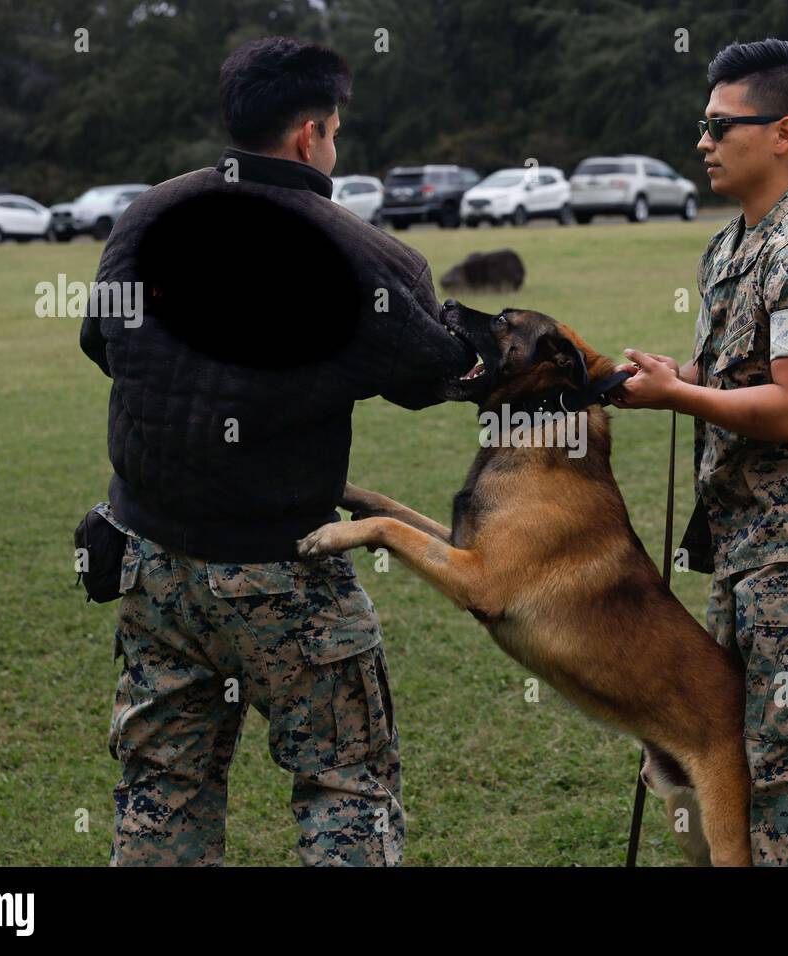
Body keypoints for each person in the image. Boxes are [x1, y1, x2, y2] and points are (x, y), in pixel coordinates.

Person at [79, 36, 473, 865]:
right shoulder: (364, 253)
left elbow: (100, 339)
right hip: (282, 571)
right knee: (345, 787)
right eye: (333, 131)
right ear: (309, 136)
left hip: (151, 561)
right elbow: (431, 374)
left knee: (161, 789)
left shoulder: (146, 215)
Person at [610, 38, 788, 866]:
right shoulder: (735, 245)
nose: (703, 141)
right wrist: (681, 373)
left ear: (781, 132)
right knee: (723, 755)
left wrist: (679, 397)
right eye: (703, 124)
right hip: (745, 548)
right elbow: (744, 371)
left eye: (720, 125)